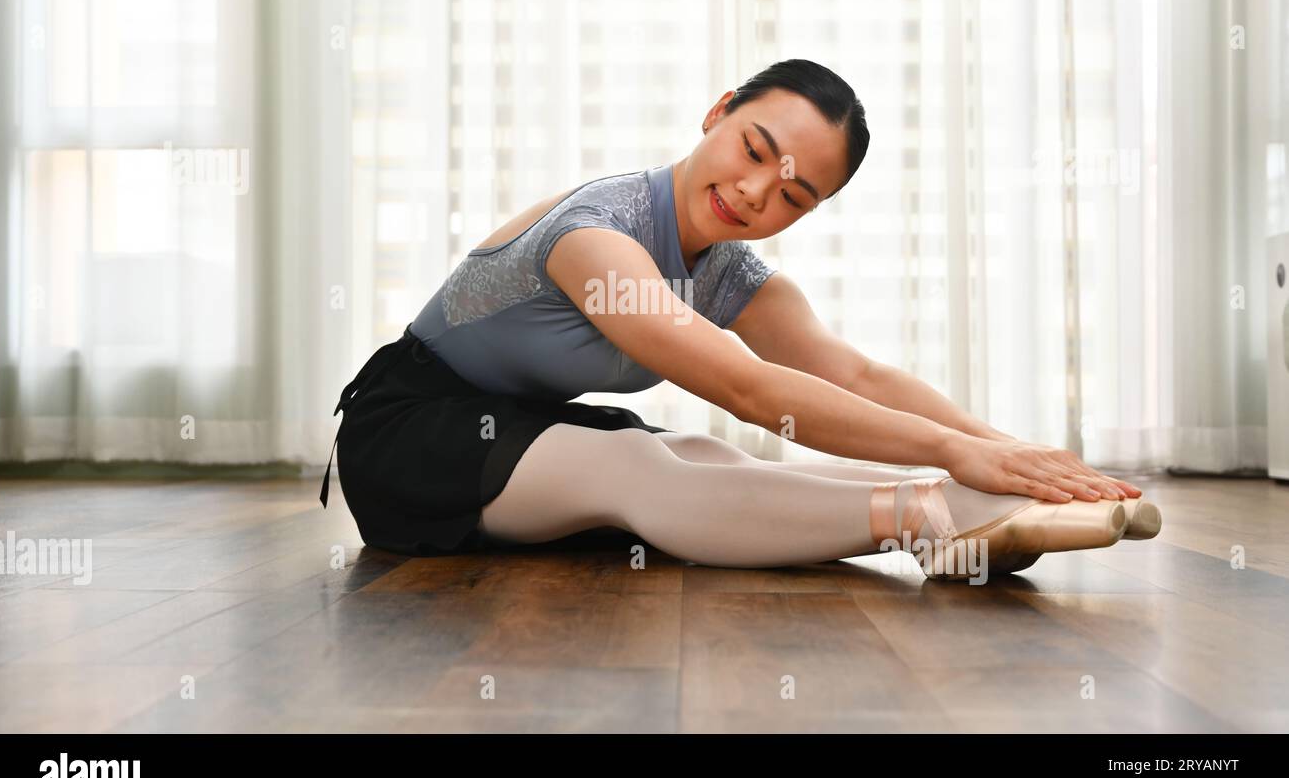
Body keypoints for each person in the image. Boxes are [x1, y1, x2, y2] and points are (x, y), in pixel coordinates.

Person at [322, 58, 1159, 581]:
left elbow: (853, 375)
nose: (758, 193)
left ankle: (970, 503)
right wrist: (953, 451)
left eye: (795, 195)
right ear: (718, 111)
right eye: (755, 150)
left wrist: (1003, 454)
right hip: (412, 436)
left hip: (519, 428)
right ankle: (927, 519)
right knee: (635, 468)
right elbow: (749, 387)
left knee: (696, 452)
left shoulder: (727, 266)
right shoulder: (597, 237)